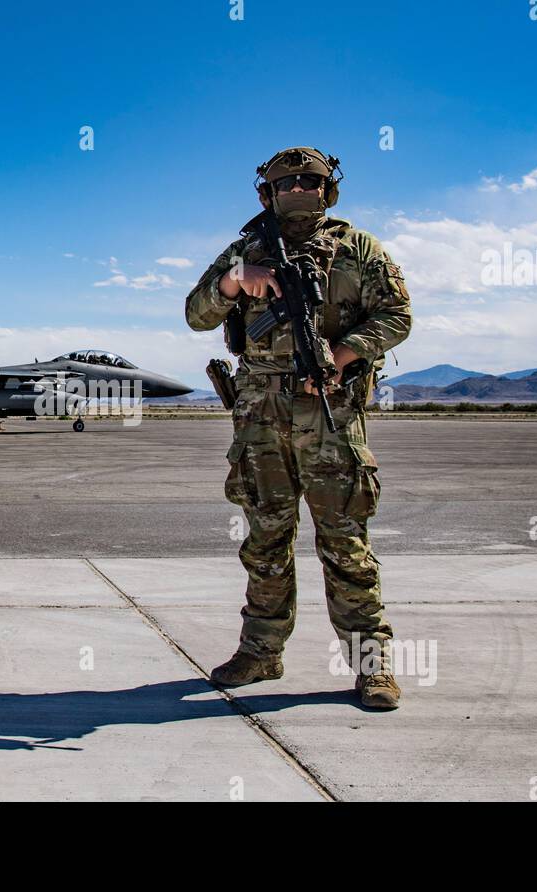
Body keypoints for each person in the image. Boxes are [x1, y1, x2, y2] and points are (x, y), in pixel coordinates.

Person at [184, 147, 412, 708]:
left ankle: (371, 665)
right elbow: (195, 313)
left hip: (330, 416)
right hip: (261, 420)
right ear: (268, 193)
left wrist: (342, 353)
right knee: (264, 543)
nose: (300, 190)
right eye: (289, 182)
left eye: (311, 181)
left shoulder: (360, 249)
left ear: (328, 189)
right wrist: (237, 282)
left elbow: (398, 317)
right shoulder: (245, 250)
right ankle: (261, 653)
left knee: (346, 545)